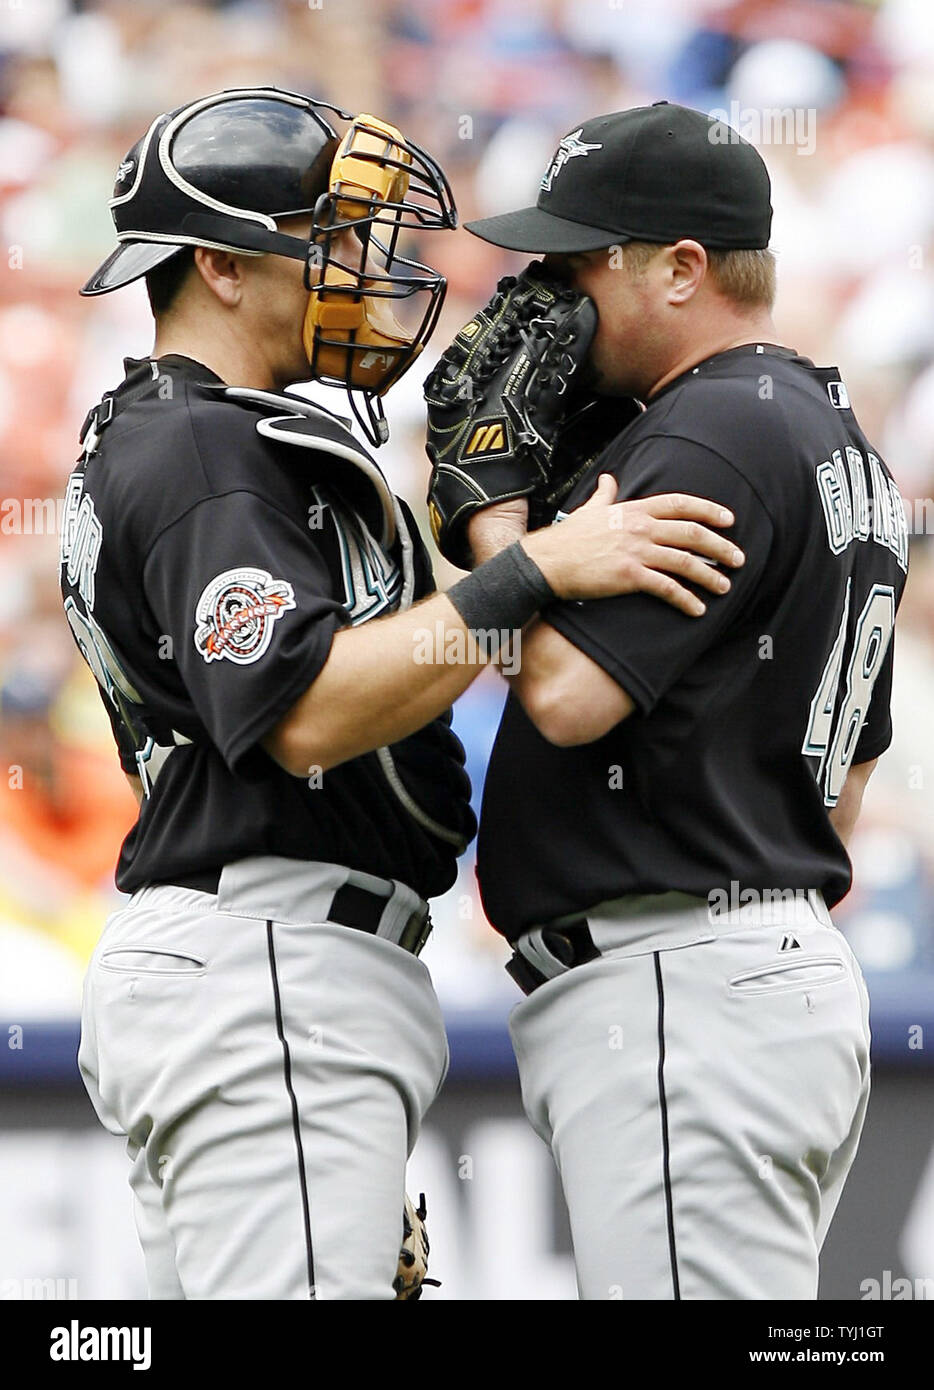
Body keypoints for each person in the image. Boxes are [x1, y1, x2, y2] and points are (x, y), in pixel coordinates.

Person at [62, 88, 741, 1300]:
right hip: (269, 966)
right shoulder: (203, 449)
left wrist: (493, 537)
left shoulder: (207, 435)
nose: (362, 265)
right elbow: (308, 709)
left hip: (263, 965)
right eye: (326, 234)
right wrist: (534, 570)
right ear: (220, 262)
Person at [462, 101, 908, 1300]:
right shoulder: (828, 436)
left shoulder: (705, 429)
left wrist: (500, 524)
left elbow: (562, 697)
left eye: (576, 261)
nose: (547, 297)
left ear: (680, 267)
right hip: (760, 970)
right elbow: (847, 781)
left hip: (677, 988)